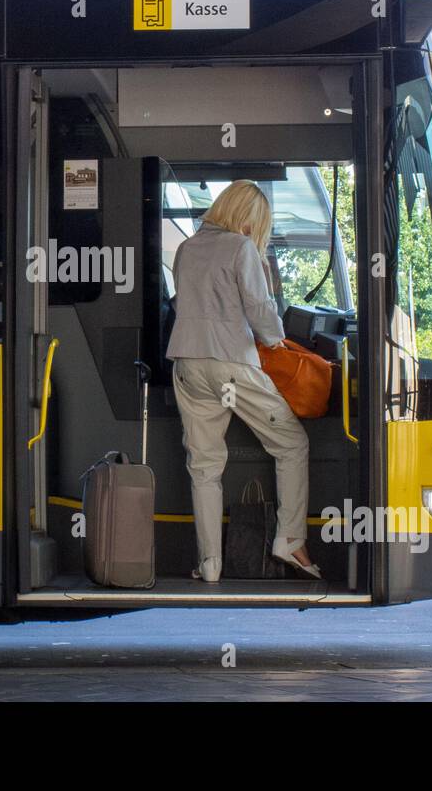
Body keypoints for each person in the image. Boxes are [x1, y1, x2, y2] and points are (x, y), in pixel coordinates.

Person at [166, 180, 319, 583]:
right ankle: (289, 540)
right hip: (230, 363)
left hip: (185, 363)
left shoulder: (186, 248)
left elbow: (183, 302)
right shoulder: (240, 248)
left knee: (204, 466)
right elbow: (259, 309)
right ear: (248, 218)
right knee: (291, 443)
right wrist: (275, 339)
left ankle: (210, 565)